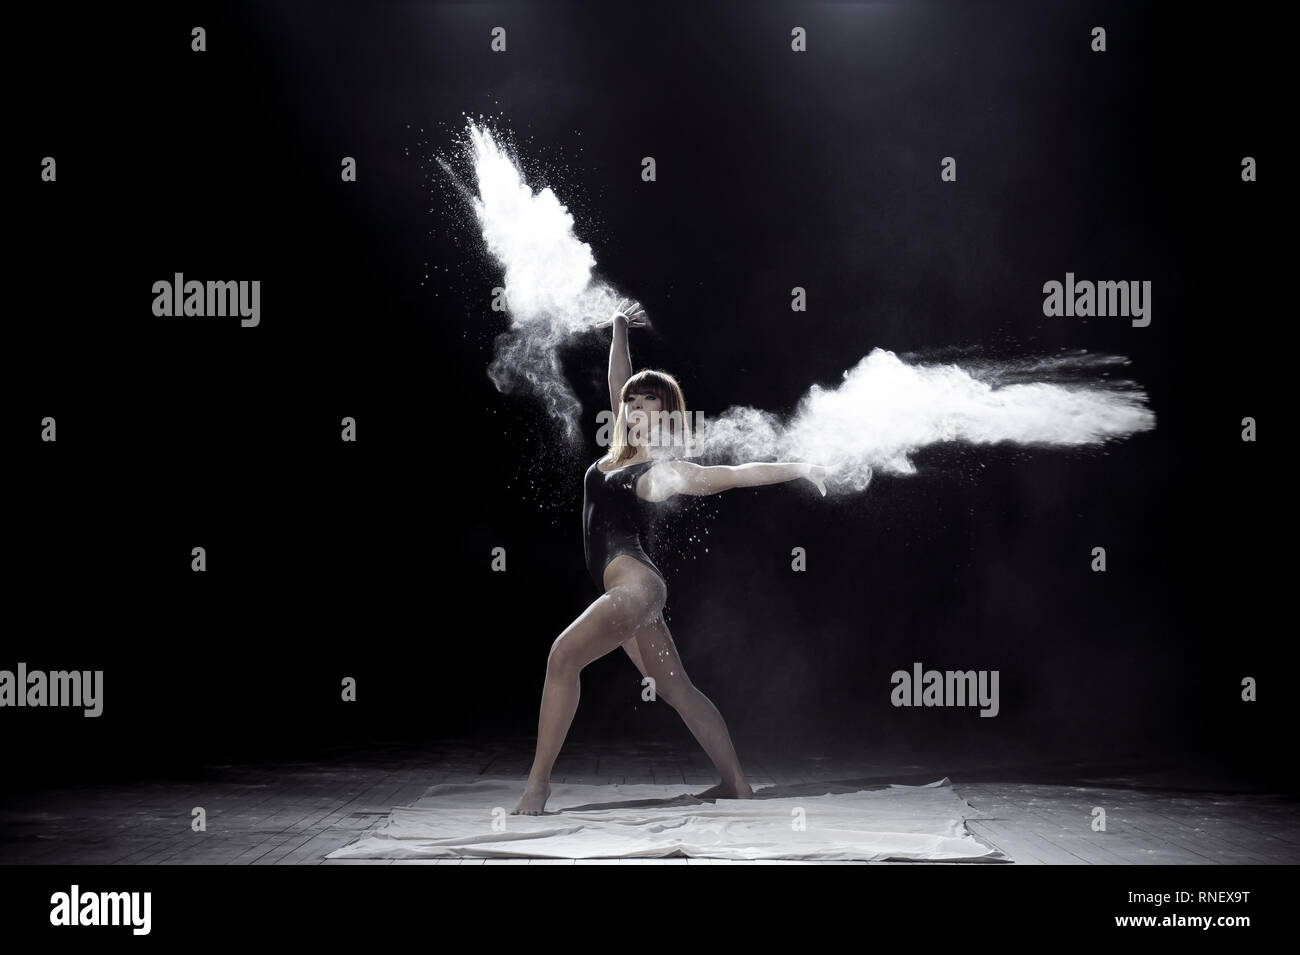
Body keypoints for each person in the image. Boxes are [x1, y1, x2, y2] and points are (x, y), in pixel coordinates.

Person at [513, 299, 828, 815]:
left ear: (664, 416)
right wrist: (618, 328)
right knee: (679, 690)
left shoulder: (660, 470)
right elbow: (621, 379)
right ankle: (738, 787)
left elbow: (737, 473)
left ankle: (536, 789)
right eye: (631, 402)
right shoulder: (618, 454)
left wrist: (801, 467)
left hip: (635, 590)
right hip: (634, 594)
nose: (632, 406)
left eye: (645, 404)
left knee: (562, 656)